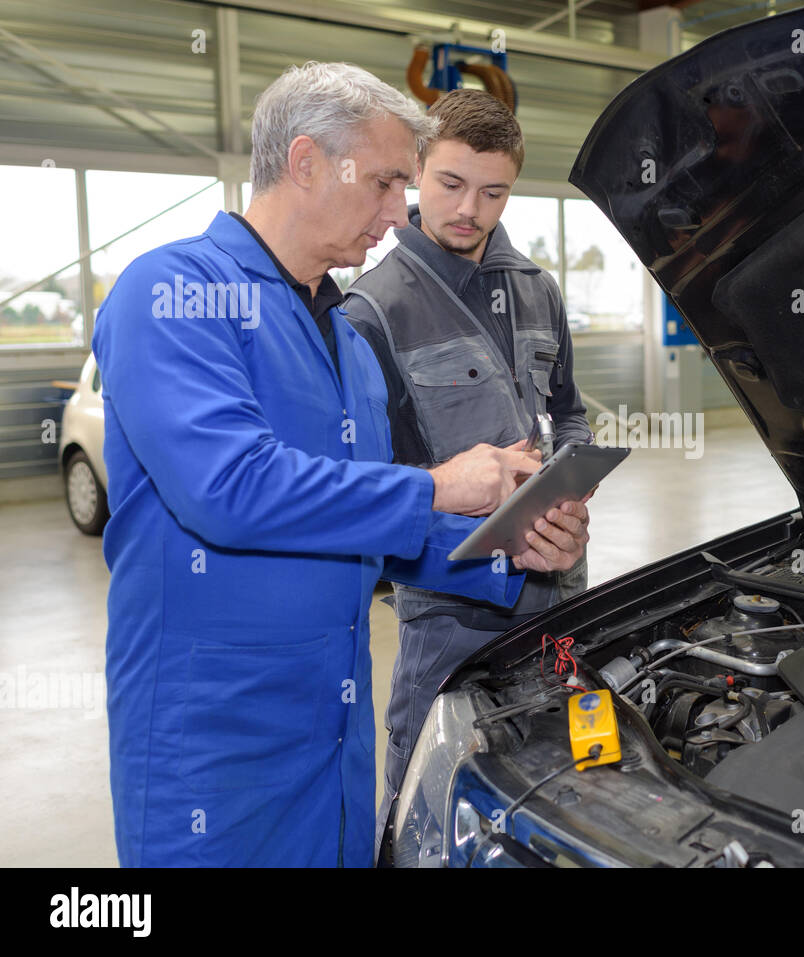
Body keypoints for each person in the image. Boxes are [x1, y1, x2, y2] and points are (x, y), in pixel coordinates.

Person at [91, 62, 587, 867]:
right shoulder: (173, 292)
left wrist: (514, 547)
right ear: (307, 162)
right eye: (390, 183)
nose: (400, 215)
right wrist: (437, 483)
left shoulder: (346, 346)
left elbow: (368, 526)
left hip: (337, 733)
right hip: (217, 745)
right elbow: (231, 487)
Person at [342, 89, 594, 851]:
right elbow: (372, 493)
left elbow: (570, 414)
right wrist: (485, 538)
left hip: (561, 599)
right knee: (425, 816)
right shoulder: (370, 313)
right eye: (450, 184)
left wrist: (568, 497)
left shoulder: (538, 291)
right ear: (416, 169)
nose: (470, 209)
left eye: (494, 191)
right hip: (450, 624)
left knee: (562, 797)